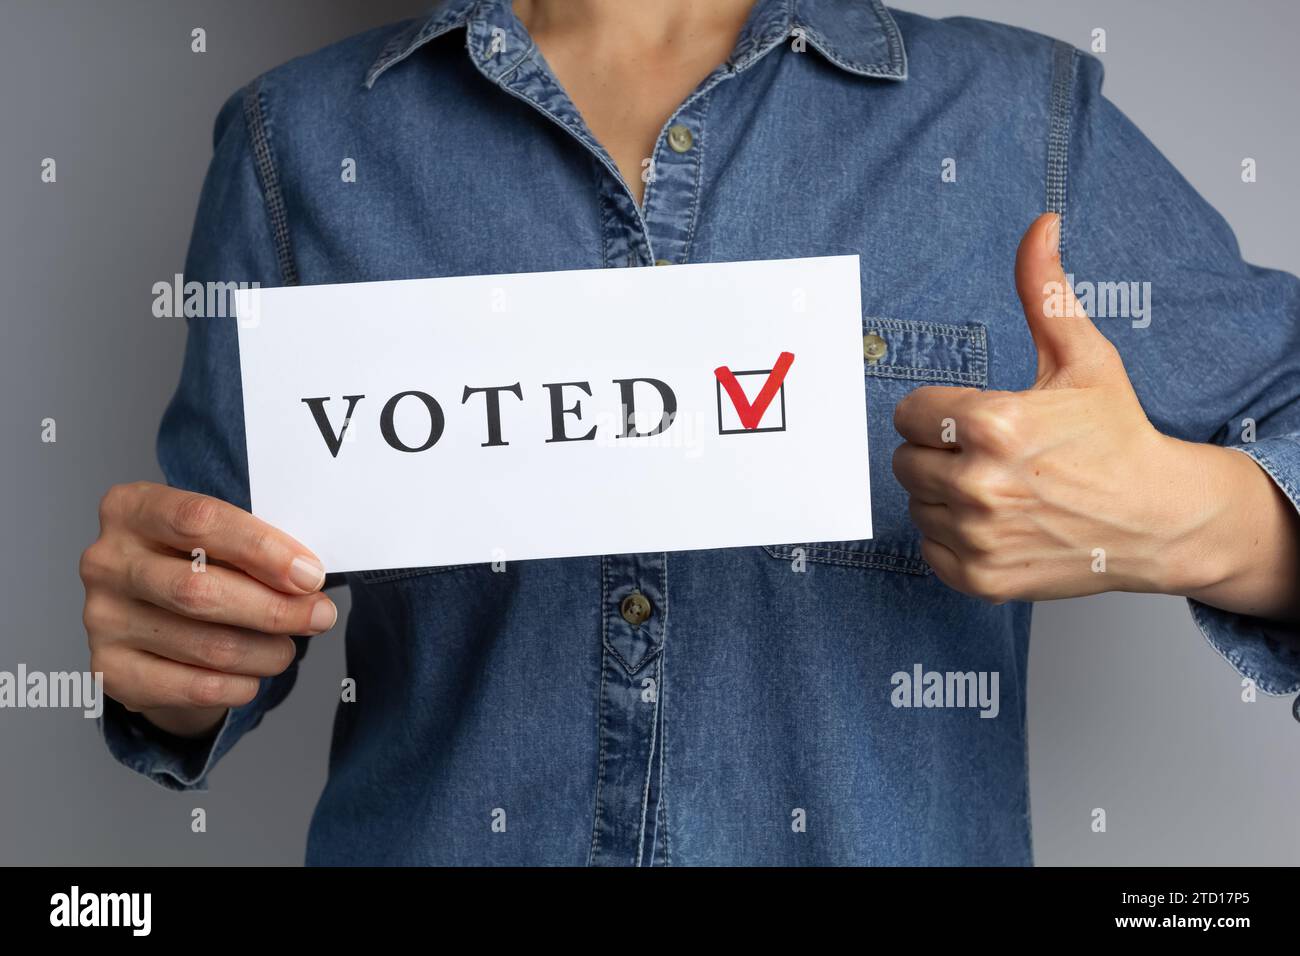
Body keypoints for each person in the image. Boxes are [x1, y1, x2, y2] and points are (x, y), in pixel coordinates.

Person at [80, 0, 1300, 865]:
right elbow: (212, 617)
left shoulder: (1012, 117)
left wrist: (1199, 519)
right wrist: (176, 663)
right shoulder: (292, 146)